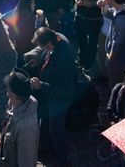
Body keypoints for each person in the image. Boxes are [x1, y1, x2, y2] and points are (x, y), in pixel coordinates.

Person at [28, 27, 76, 167]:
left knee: (56, 129)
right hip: (50, 95)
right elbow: (47, 56)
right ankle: (46, 146)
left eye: (42, 46)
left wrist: (41, 85)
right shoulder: (56, 38)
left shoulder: (63, 58)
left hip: (60, 99)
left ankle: (62, 159)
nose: (41, 49)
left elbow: (62, 89)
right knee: (46, 120)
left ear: (49, 43)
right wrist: (38, 62)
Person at [0, 70, 39, 167]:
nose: (6, 88)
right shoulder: (13, 103)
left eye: (8, 87)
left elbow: (26, 162)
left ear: (14, 94)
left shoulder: (26, 129)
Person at [98, 0, 125, 90]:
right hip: (120, 54)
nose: (105, 0)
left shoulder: (122, 21)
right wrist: (103, 5)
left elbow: (118, 42)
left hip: (118, 58)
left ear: (113, 0)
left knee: (115, 82)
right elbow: (109, 13)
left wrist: (110, 57)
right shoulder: (123, 8)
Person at [70, 0, 102, 70]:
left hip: (94, 17)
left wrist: (93, 3)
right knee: (81, 39)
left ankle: (89, 63)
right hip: (80, 15)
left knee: (93, 41)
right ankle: (81, 59)